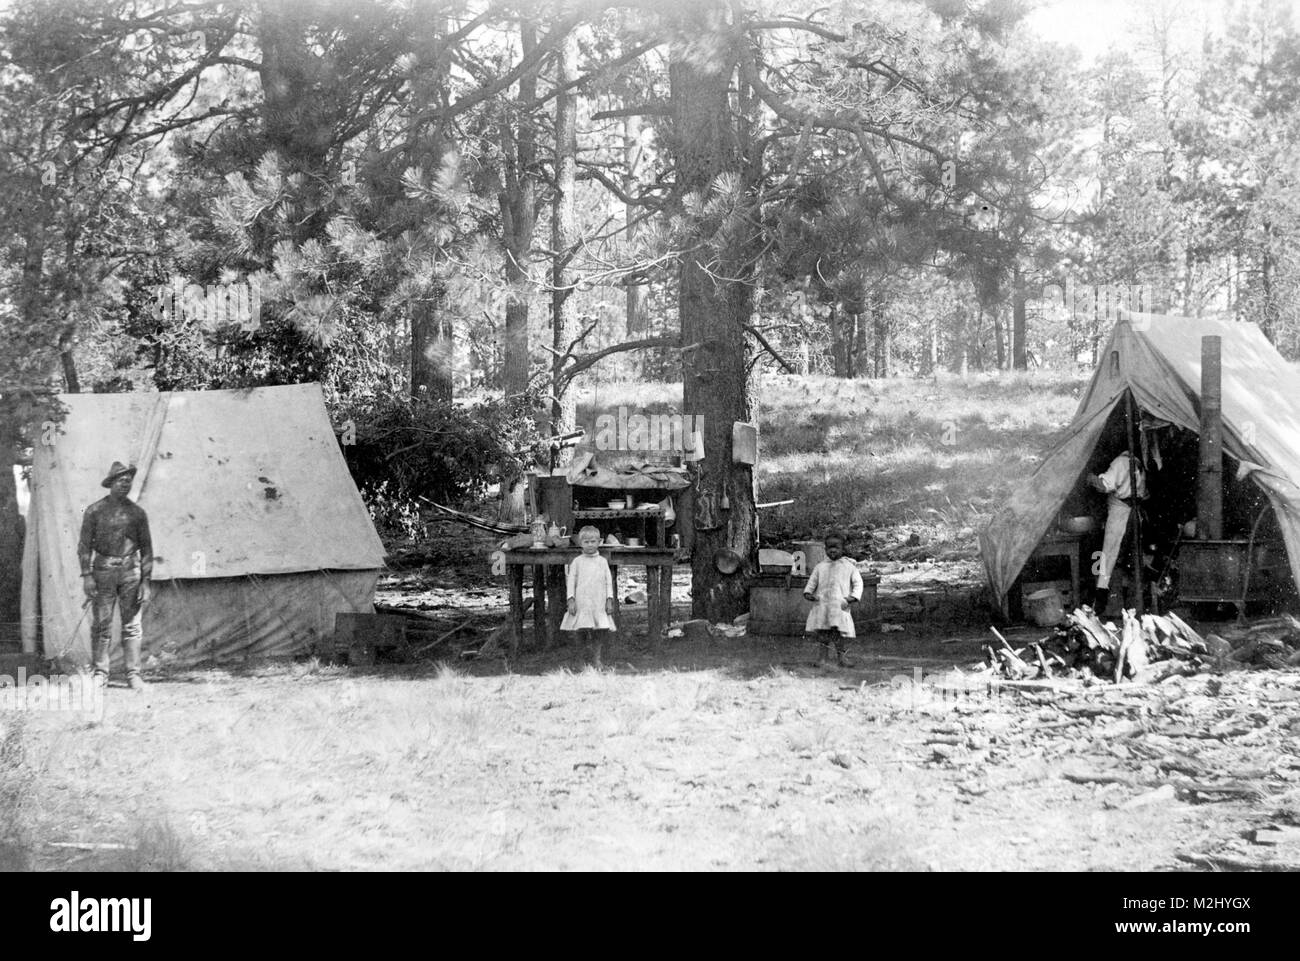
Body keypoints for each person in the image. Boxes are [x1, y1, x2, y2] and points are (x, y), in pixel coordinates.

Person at [78, 461, 153, 692]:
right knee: (102, 624)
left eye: (128, 480)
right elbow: (83, 547)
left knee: (132, 625)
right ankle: (101, 673)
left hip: (131, 573)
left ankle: (134, 675)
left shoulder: (137, 513)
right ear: (111, 483)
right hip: (103, 572)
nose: (125, 484)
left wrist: (146, 582)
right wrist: (87, 576)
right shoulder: (94, 511)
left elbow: (147, 550)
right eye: (121, 480)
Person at [1087, 450, 1148, 613]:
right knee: (1126, 557)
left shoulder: (1121, 463)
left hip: (1120, 513)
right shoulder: (1137, 462)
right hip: (1133, 513)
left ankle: (1103, 603)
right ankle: (1129, 606)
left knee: (1109, 555)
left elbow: (1104, 485)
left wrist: (1089, 476)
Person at [803, 533, 864, 667]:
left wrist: (852, 597)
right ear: (825, 549)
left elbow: (858, 583)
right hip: (822, 606)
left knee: (838, 635)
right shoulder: (820, 567)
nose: (832, 550)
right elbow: (812, 582)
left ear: (843, 549)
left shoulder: (849, 567)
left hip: (839, 606)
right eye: (829, 547)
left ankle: (842, 658)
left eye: (836, 547)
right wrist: (808, 593)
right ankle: (822, 658)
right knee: (823, 634)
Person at [561, 525, 615, 669]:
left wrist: (609, 599)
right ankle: (580, 661)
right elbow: (571, 581)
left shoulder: (602, 562)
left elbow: (608, 581)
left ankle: (596, 659)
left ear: (599, 542)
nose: (590, 545)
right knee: (581, 630)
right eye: (586, 542)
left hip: (598, 601)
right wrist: (571, 599)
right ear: (580, 543)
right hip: (582, 601)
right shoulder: (577, 562)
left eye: (593, 541)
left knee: (600, 629)